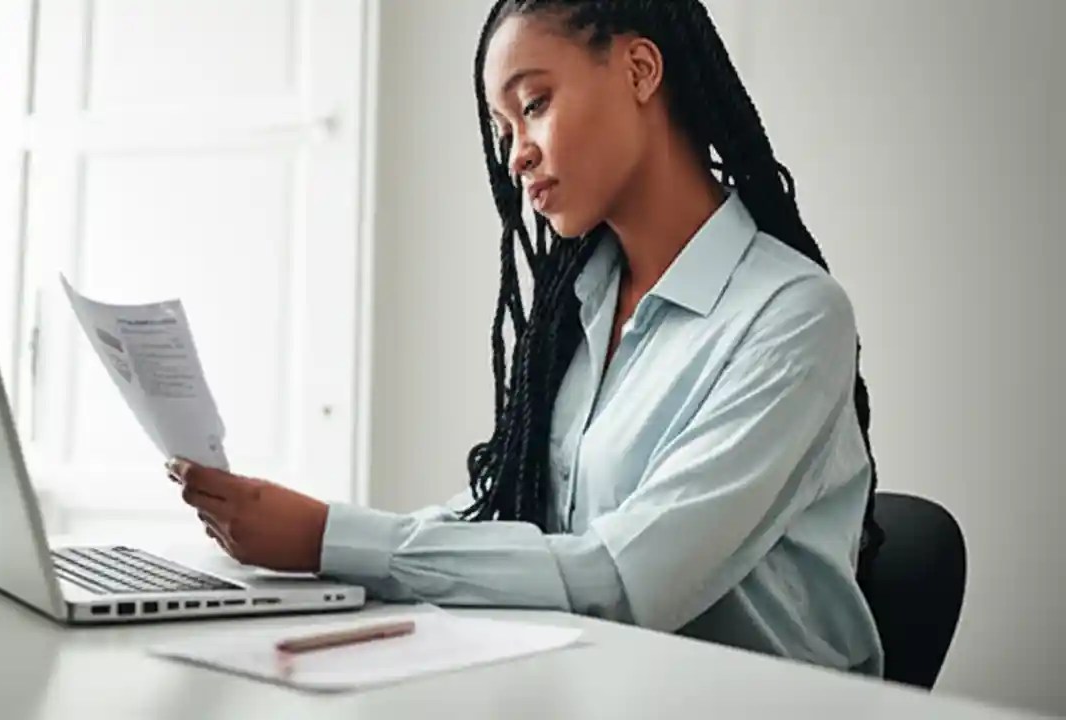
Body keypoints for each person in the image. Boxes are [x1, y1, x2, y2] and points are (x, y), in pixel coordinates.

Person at [168, 0, 885, 675]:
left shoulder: (792, 318)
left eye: (535, 104)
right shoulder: (581, 306)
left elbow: (622, 580)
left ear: (639, 71)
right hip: (592, 684)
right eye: (504, 128)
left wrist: (331, 537)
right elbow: (515, 513)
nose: (515, 156)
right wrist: (309, 546)